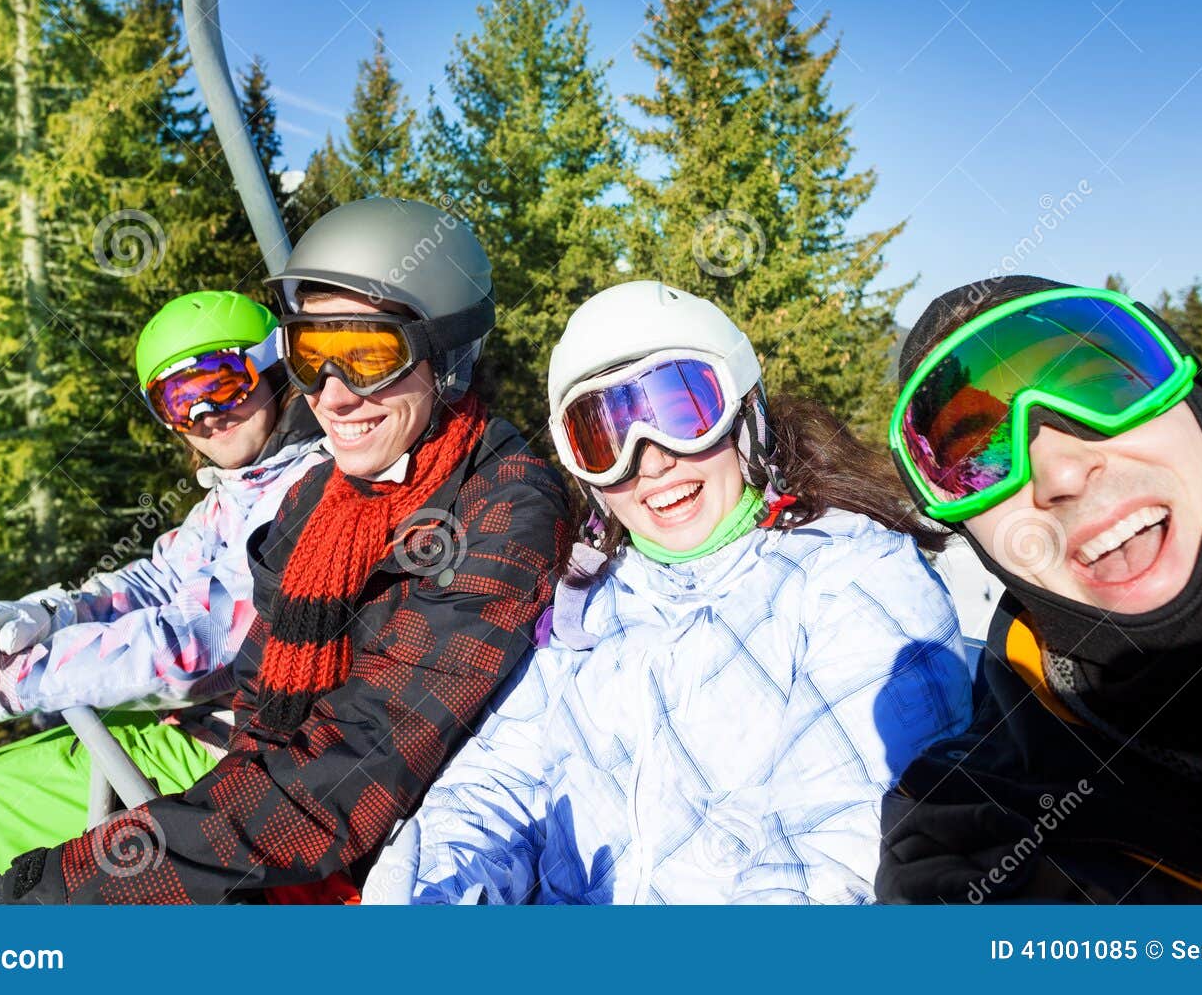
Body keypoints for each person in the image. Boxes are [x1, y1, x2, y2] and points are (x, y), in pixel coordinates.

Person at [0, 198, 569, 905]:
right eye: (311, 356)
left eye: (368, 356)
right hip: (274, 839)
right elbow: (259, 726)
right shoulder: (315, 503)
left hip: (395, 872)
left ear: (446, 352)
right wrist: (55, 615)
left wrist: (58, 891)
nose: (334, 396)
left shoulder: (503, 509)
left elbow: (344, 773)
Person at [366, 280, 972, 904]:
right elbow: (498, 781)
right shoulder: (593, 602)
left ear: (746, 415)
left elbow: (838, 854)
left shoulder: (855, 578)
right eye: (604, 437)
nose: (650, 461)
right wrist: (449, 884)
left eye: (681, 413)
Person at [877, 275, 1202, 904]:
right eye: (981, 453)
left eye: (1100, 385)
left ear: (1195, 398)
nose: (1061, 471)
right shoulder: (977, 839)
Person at [0, 290, 326, 903]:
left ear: (275, 366)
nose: (203, 413)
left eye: (220, 381)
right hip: (190, 731)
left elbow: (211, 643)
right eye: (176, 399)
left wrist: (17, 682)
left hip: (240, 755)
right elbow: (155, 584)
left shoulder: (316, 488)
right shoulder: (236, 494)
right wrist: (42, 615)